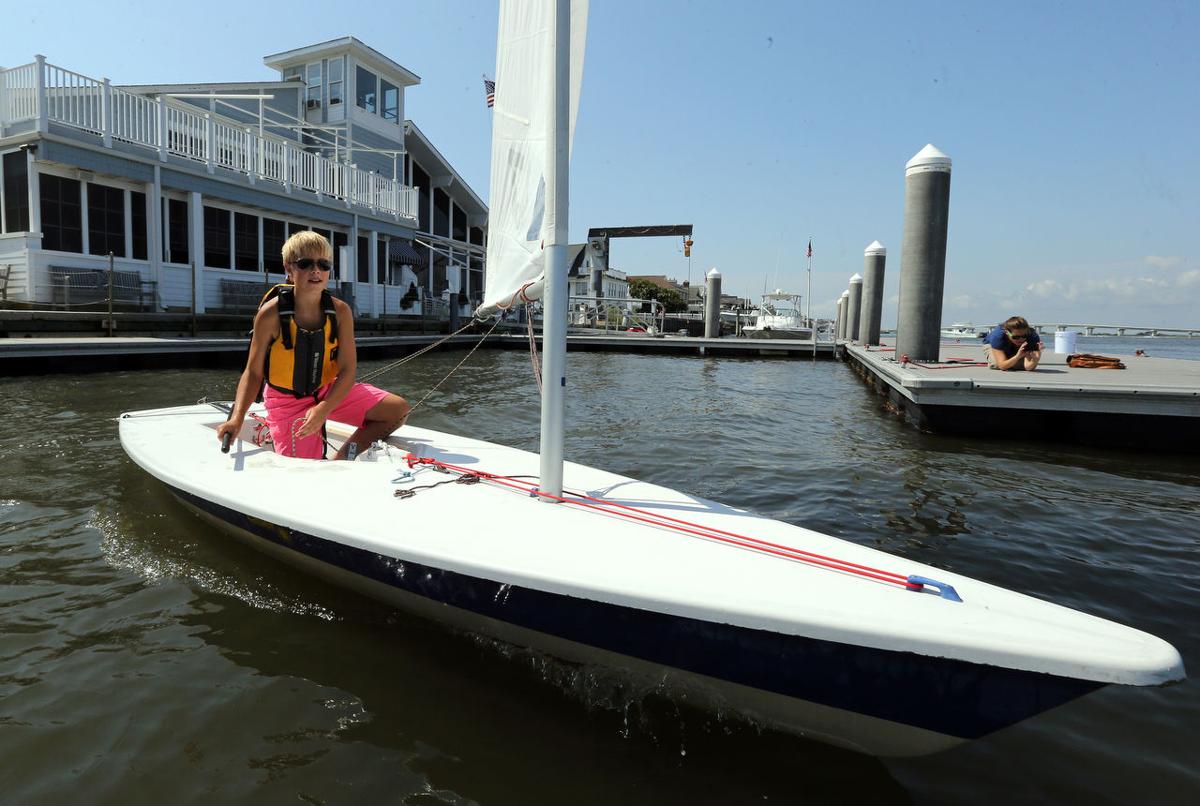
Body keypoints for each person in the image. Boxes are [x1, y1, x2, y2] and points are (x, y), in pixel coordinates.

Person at [216, 231, 409, 459]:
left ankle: (341, 461)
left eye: (323, 264)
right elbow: (253, 372)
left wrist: (324, 408)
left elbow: (348, 370)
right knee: (302, 473)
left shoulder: (341, 312)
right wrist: (237, 418)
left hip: (327, 390)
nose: (315, 270)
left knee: (397, 411)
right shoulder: (270, 315)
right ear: (289, 269)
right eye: (305, 263)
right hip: (287, 401)